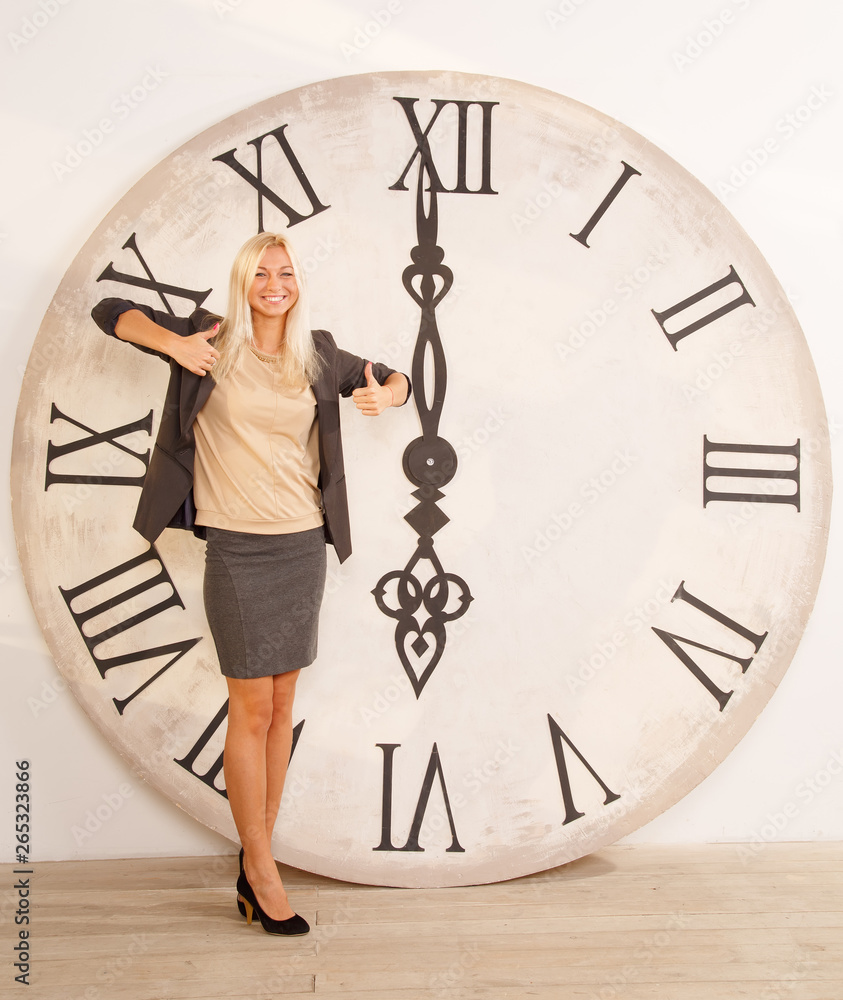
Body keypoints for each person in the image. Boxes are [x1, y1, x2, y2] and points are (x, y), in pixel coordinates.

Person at [92, 232, 410, 936]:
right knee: (250, 706)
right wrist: (173, 347)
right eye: (261, 272)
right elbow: (109, 309)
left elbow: (397, 375)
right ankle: (264, 872)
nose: (274, 283)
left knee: (282, 700)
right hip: (236, 546)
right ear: (242, 280)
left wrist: (386, 395)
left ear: (298, 282)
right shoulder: (208, 337)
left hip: (302, 544)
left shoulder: (317, 353)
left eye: (286, 272)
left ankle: (252, 859)